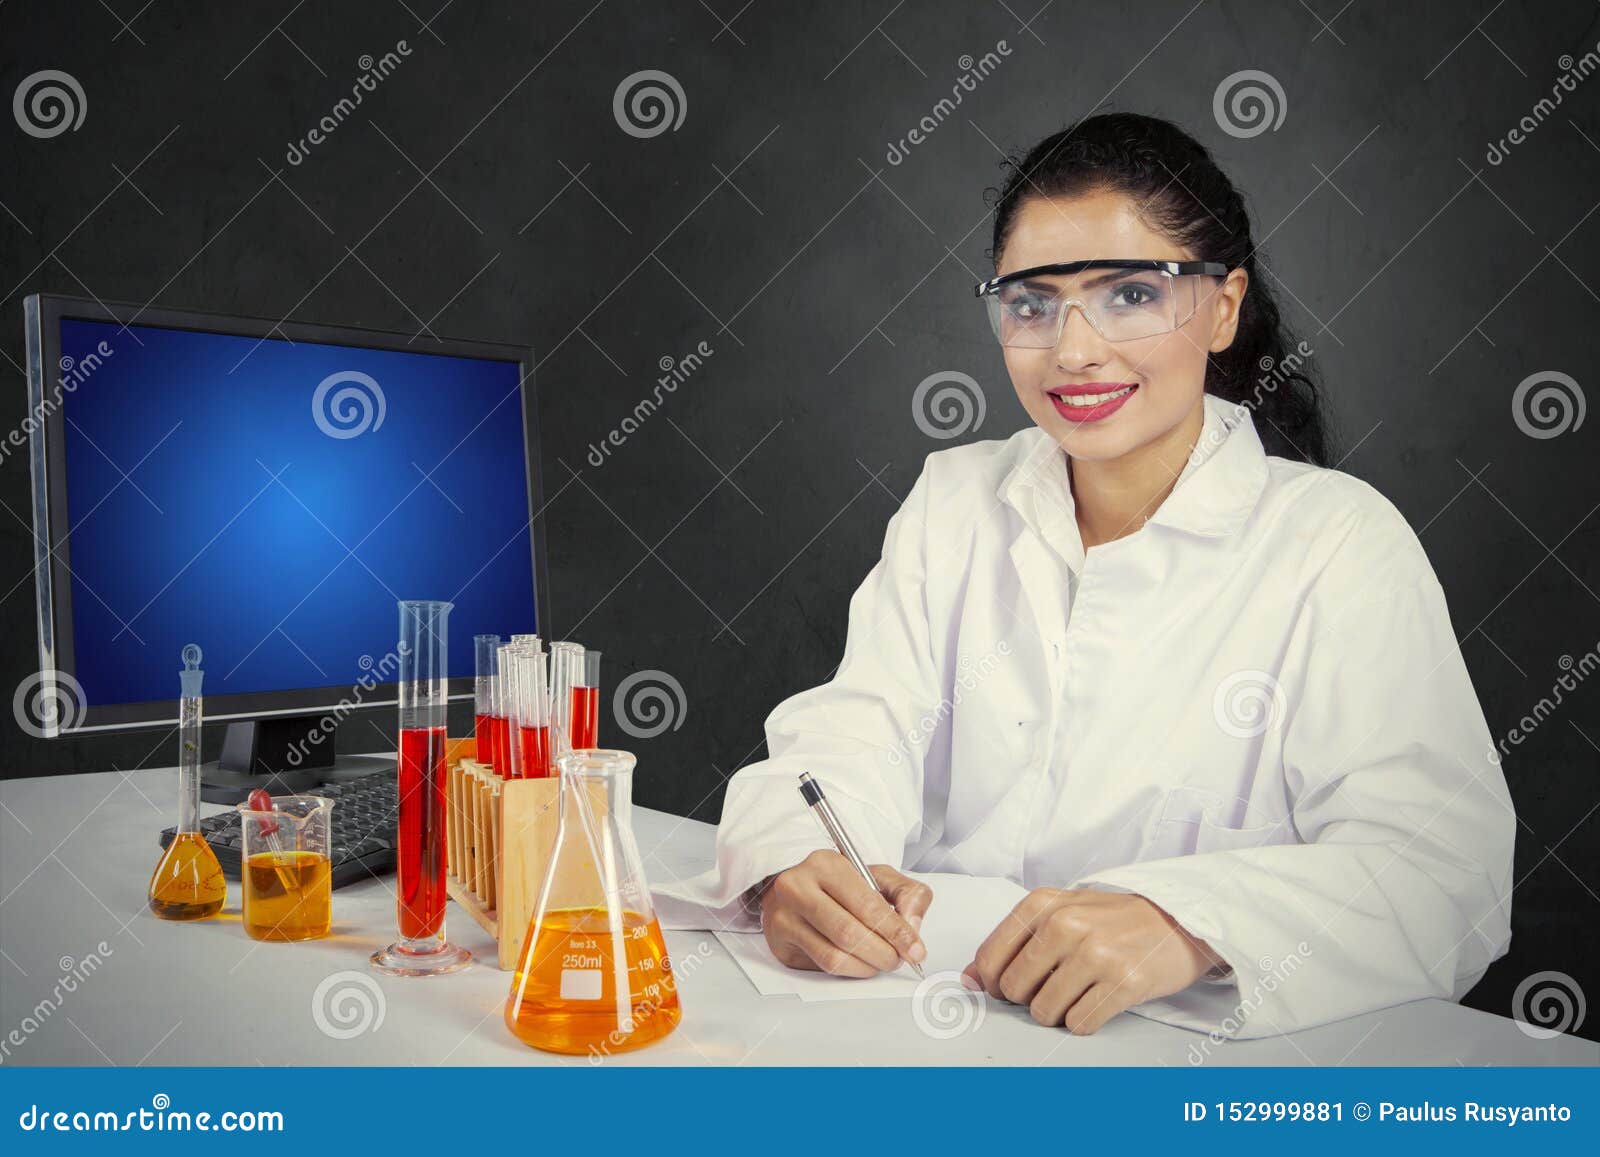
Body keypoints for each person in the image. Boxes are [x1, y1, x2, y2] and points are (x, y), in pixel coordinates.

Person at [661, 112, 1514, 1039]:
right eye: (1031, 303)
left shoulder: (1338, 542)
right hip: (918, 1023)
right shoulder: (958, 496)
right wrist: (801, 863)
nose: (1072, 350)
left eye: (1131, 295)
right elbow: (861, 727)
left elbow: (1444, 879)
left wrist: (1186, 924)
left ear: (1223, 306)